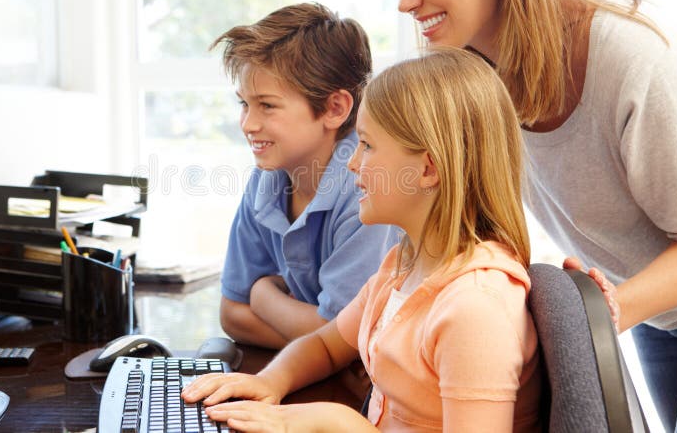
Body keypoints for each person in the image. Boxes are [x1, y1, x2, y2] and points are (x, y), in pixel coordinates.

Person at [381, 0, 677, 430]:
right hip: (662, 319)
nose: (405, 1)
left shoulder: (632, 60)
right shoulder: (478, 76)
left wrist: (593, 317)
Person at [183, 49, 542, 432]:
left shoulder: (475, 307)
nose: (353, 163)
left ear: (428, 168)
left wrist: (337, 422)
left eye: (367, 146)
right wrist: (268, 382)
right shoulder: (401, 267)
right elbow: (325, 345)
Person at [212, 2, 398, 350]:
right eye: (244, 104)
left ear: (335, 109)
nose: (248, 124)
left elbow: (346, 336)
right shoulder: (265, 182)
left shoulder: (367, 187)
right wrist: (327, 355)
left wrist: (263, 296)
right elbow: (232, 313)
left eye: (267, 105)